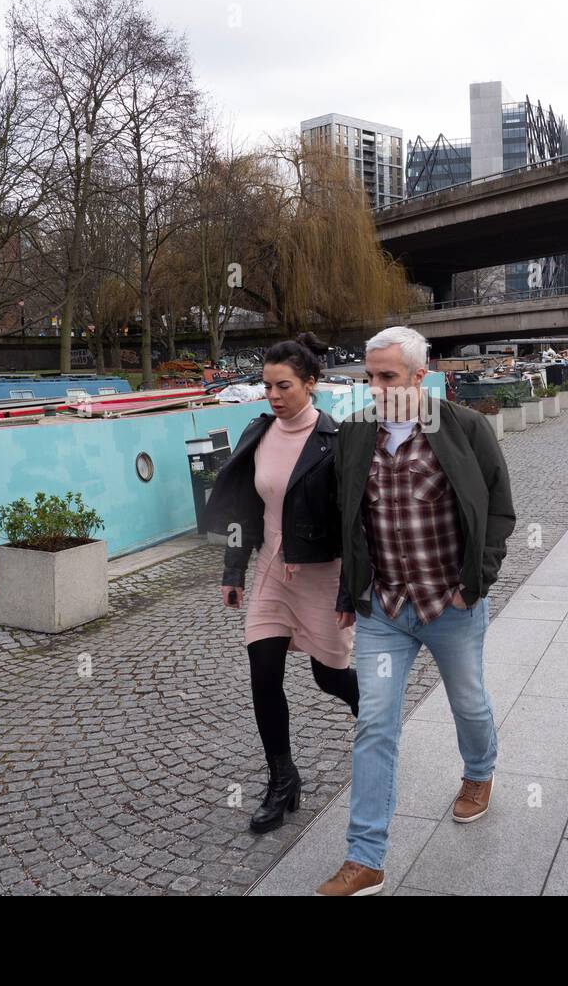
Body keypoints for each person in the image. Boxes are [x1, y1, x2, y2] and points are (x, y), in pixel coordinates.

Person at [316, 325, 515, 896]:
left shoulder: (465, 428)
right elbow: (347, 521)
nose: (375, 388)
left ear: (419, 376)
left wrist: (474, 583)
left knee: (469, 702)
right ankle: (366, 858)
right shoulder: (354, 435)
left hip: (449, 605)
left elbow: (499, 510)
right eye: (368, 377)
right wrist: (348, 595)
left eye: (387, 377)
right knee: (375, 723)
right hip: (385, 609)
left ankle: (479, 774)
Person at [202, 332, 358, 834]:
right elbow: (245, 508)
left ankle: (374, 713)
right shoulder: (258, 431)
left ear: (311, 384)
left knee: (328, 676)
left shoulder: (335, 443)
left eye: (284, 386)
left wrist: (349, 590)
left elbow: (354, 522)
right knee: (263, 672)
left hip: (320, 574)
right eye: (267, 385)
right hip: (272, 569)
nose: (273, 395)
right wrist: (234, 569)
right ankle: (282, 778)